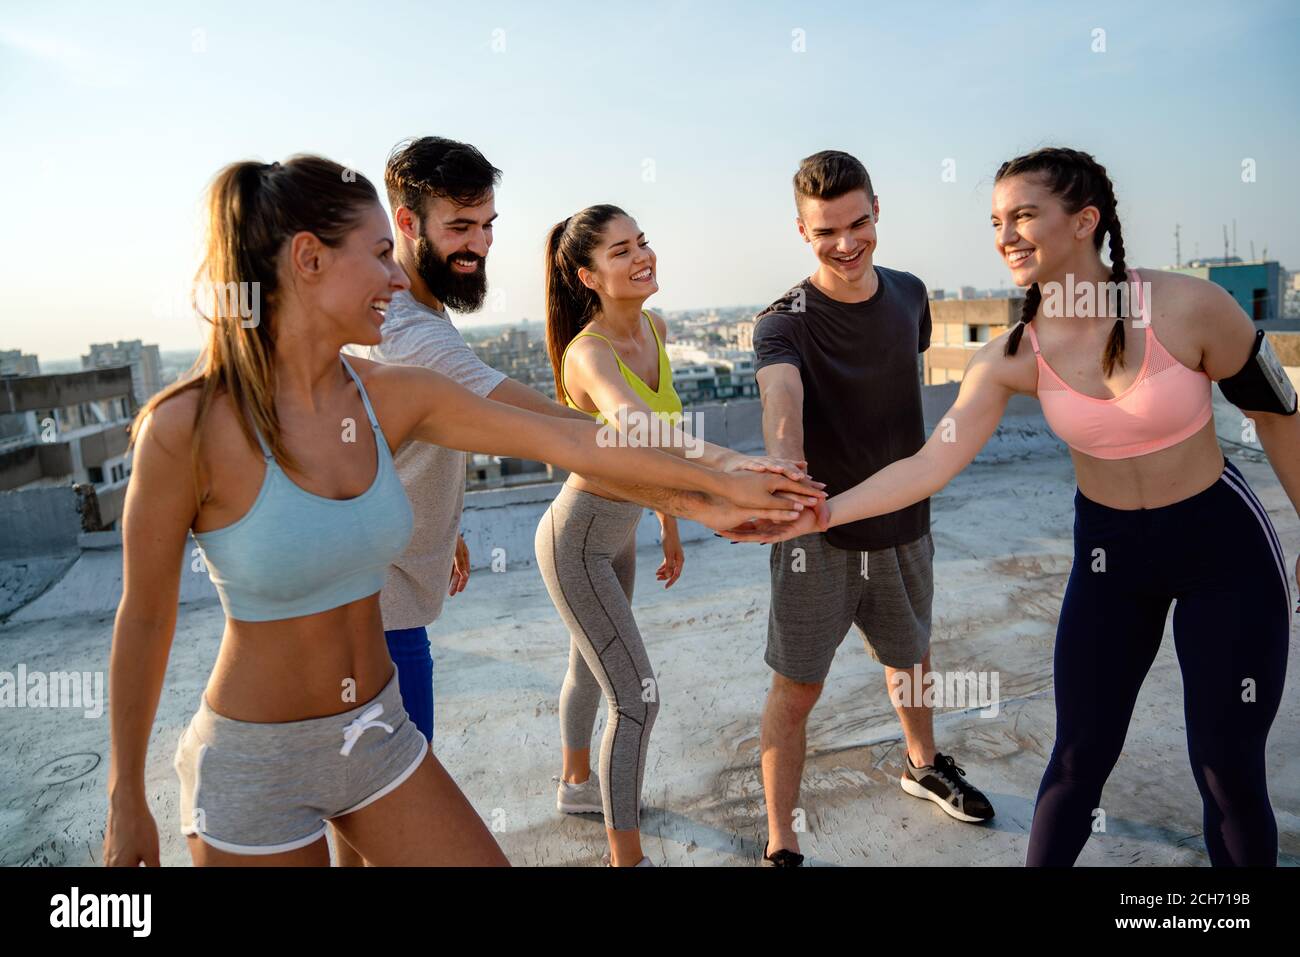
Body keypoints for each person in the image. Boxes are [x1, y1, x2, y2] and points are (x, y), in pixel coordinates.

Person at [102, 155, 822, 867]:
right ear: (308, 259)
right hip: (255, 765)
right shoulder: (184, 429)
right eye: (381, 253)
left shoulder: (395, 393)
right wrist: (125, 796)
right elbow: (144, 616)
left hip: (378, 734)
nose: (395, 276)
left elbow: (570, 435)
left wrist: (715, 491)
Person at [728, 147, 1298, 867]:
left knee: (1225, 768)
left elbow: (1278, 411)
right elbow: (931, 460)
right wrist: (821, 512)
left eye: (1024, 215)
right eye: (997, 221)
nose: (1006, 235)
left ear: (1085, 220)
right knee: (1075, 760)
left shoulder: (1188, 306)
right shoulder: (1009, 355)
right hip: (1111, 559)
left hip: (1224, 550)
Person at [336, 137, 786, 866]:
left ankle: (577, 781)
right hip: (376, 617)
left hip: (398, 596)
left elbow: (408, 437)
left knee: (369, 815)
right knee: (390, 822)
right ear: (406, 222)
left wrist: (442, 525)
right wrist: (717, 482)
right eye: (460, 227)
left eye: (487, 226)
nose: (478, 246)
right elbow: (563, 432)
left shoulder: (416, 310)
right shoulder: (406, 329)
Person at [536, 204, 819, 867]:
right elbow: (633, 423)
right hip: (576, 538)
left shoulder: (657, 328)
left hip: (624, 529)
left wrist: (667, 526)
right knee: (634, 698)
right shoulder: (587, 353)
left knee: (588, 663)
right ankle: (625, 858)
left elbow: (652, 445)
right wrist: (721, 467)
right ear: (587, 275)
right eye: (620, 251)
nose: (642, 256)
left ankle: (575, 784)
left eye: (644, 242)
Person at [751, 151, 995, 867]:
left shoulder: (911, 295)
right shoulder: (782, 321)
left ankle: (922, 764)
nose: (847, 242)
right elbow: (782, 401)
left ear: (877, 209)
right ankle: (782, 838)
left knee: (912, 657)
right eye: (827, 230)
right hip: (814, 536)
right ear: (801, 229)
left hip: (903, 524)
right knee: (797, 687)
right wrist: (788, 470)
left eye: (859, 223)